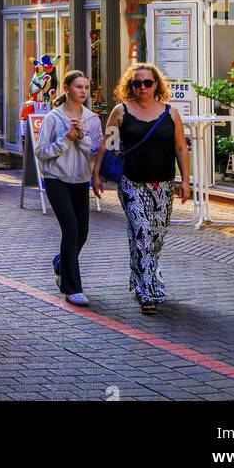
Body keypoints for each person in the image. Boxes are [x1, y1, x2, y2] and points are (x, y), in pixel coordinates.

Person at [93, 62, 191, 315]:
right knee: (143, 232)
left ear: (156, 84)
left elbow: (181, 148)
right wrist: (96, 175)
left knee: (156, 236)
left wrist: (186, 181)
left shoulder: (171, 114)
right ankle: (147, 291)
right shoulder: (121, 111)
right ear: (130, 85)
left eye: (147, 83)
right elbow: (108, 144)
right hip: (132, 183)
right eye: (137, 83)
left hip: (164, 184)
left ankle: (139, 275)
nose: (142, 87)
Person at [34, 70, 103, 307]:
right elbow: (41, 151)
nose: (83, 91)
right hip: (57, 180)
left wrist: (82, 136)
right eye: (78, 87)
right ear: (66, 88)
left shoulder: (93, 119)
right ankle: (72, 288)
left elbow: (96, 151)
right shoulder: (53, 118)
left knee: (82, 233)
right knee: (71, 230)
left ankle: (60, 263)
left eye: (86, 87)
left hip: (81, 180)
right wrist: (66, 138)